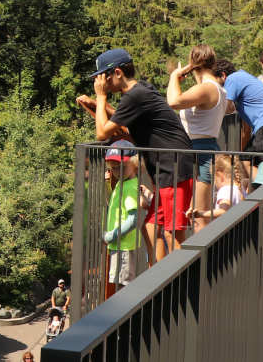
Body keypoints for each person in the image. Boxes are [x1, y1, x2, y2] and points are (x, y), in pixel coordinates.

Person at [77, 49, 194, 264]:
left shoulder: (135, 96)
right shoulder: (140, 91)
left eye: (104, 77)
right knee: (149, 227)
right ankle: (157, 276)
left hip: (174, 166)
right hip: (165, 169)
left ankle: (180, 281)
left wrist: (100, 98)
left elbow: (102, 132)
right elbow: (121, 119)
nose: (102, 82)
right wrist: (96, 106)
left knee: (173, 232)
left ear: (118, 73)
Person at [167, 45, 226, 231]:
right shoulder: (216, 88)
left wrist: (174, 77)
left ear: (192, 64)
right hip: (201, 151)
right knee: (196, 216)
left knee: (198, 217)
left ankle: (203, 260)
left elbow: (174, 101)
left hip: (201, 153)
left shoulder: (207, 88)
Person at [212, 59, 263, 192]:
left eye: (217, 82)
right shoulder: (242, 76)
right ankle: (259, 192)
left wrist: (207, 110)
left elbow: (225, 107)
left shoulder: (233, 79)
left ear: (223, 75)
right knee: (246, 159)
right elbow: (230, 109)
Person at [103, 145, 139, 289]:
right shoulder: (122, 183)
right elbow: (111, 203)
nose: (117, 172)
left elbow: (133, 220)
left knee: (124, 285)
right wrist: (106, 185)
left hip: (123, 244)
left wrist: (110, 236)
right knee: (119, 283)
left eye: (121, 167)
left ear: (134, 163)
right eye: (114, 168)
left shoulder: (130, 187)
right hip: (119, 243)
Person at [187, 155, 243, 222]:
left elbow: (223, 211)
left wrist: (199, 214)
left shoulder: (225, 190)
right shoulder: (241, 189)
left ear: (220, 175)